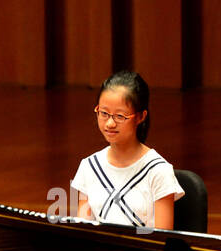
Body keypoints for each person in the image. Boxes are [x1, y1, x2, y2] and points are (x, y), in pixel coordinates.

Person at [72, 70, 183, 230]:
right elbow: (84, 233)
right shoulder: (89, 166)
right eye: (104, 113)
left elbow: (161, 240)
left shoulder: (158, 171)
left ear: (141, 117)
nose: (110, 123)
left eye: (120, 116)